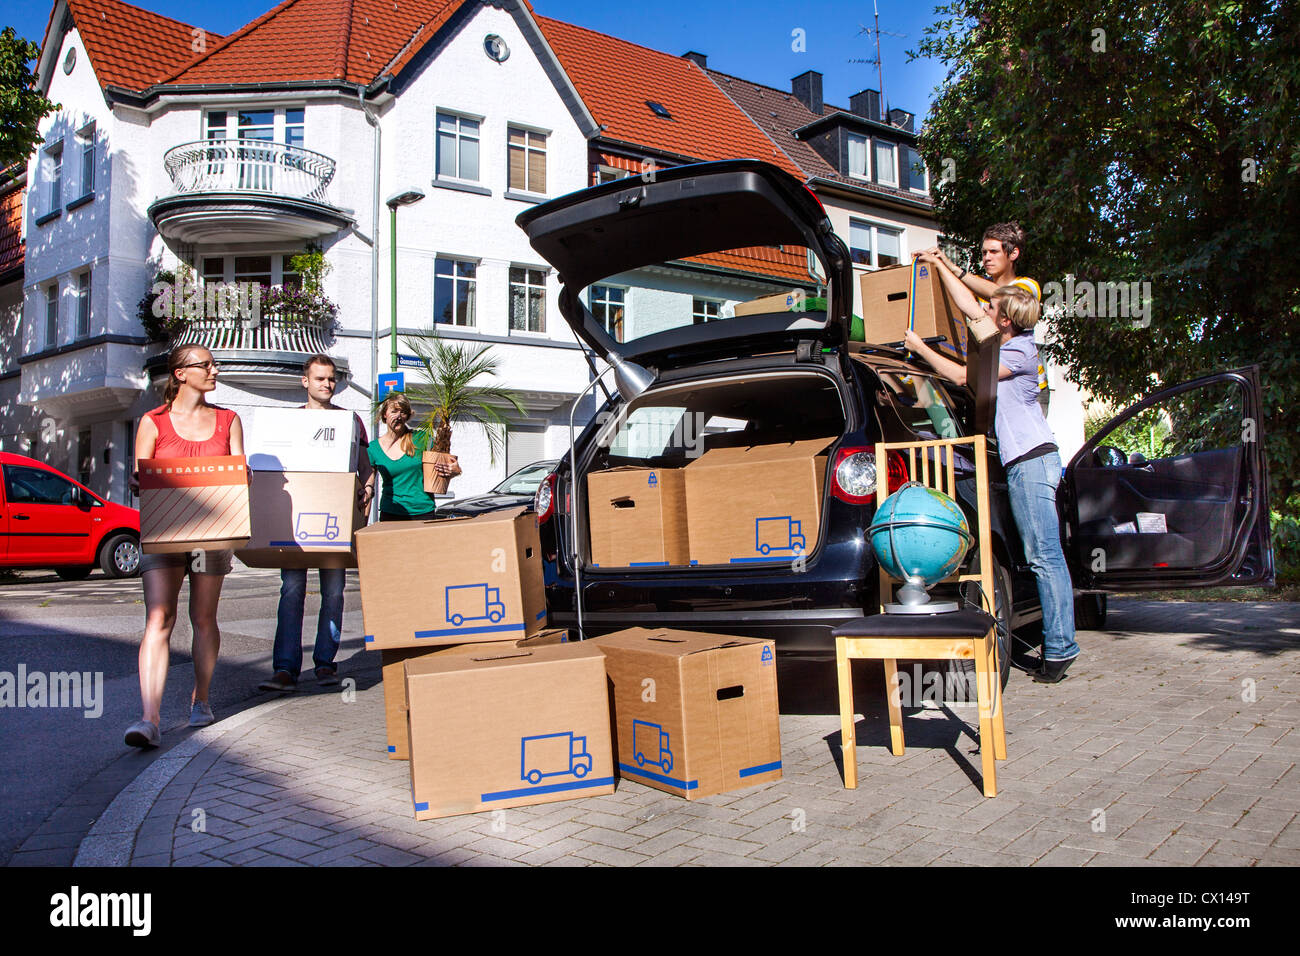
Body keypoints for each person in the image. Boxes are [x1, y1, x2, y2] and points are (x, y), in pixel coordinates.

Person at [904, 259, 1080, 684]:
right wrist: (938, 263)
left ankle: (1060, 649)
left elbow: (965, 376)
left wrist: (921, 349)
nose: (985, 311)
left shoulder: (1018, 351)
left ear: (1005, 318)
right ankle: (1059, 646)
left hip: (1033, 460)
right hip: (1025, 462)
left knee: (1044, 556)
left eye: (993, 309)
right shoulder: (1006, 339)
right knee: (1042, 555)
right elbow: (971, 308)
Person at [124, 345, 245, 748]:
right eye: (205, 365)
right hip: (164, 530)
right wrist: (137, 481)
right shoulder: (153, 421)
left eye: (213, 365)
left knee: (204, 618)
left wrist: (240, 475)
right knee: (159, 617)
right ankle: (149, 719)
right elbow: (139, 473)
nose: (214, 370)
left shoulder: (228, 420)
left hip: (211, 532)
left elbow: (238, 471)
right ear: (180, 374)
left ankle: (202, 699)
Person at [259, 355, 374, 693]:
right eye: (320, 378)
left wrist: (367, 487)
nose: (327, 384)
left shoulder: (350, 421)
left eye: (331, 379)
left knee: (335, 592)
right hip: (295, 522)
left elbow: (365, 465)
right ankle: (285, 669)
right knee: (292, 591)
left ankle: (325, 663)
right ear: (305, 382)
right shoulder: (288, 422)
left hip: (335, 518)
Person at [366, 391, 461, 522]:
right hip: (391, 513)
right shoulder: (373, 448)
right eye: (394, 411)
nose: (398, 416)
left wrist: (455, 470)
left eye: (403, 412)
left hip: (422, 512)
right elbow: (368, 483)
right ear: (384, 414)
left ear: (407, 416)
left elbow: (447, 462)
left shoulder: (421, 439)